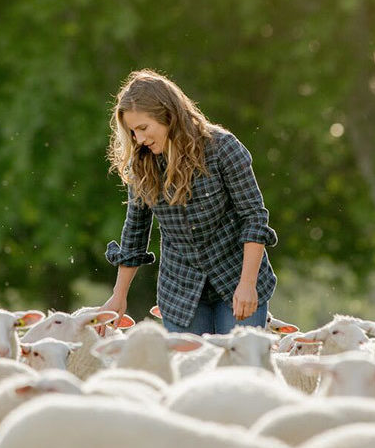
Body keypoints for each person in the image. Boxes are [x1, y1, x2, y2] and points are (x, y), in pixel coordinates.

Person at [100, 69, 278, 335]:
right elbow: (135, 232)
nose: (139, 139)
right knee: (191, 372)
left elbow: (253, 218)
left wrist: (248, 284)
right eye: (132, 132)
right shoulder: (142, 164)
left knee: (236, 372)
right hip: (180, 293)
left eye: (143, 128)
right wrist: (119, 295)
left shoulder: (223, 148)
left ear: (167, 115)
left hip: (236, 280)